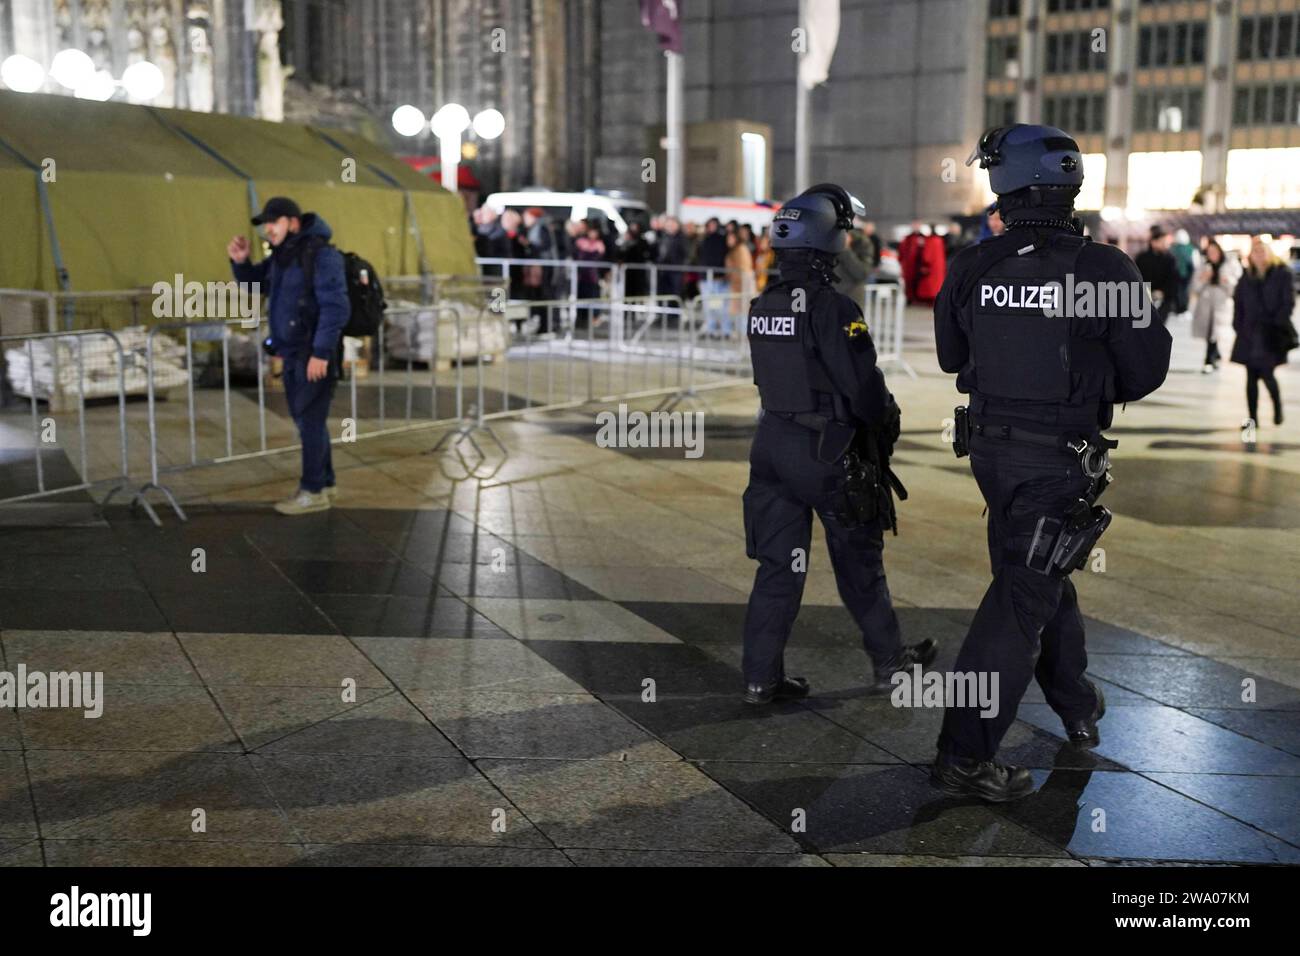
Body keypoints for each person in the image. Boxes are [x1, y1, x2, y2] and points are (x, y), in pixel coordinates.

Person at [933, 125, 1171, 801]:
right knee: (1021, 593)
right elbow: (1146, 370)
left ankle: (1075, 702)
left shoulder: (973, 264)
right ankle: (964, 753)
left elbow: (953, 360)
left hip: (990, 453)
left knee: (1035, 574)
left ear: (1006, 184)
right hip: (1059, 458)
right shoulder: (1103, 268)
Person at [741, 183, 937, 705]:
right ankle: (890, 663)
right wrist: (883, 419)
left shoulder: (764, 304)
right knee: (859, 564)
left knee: (779, 567)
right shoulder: (834, 308)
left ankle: (761, 678)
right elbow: (863, 388)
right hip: (827, 453)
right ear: (830, 240)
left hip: (771, 446)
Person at [228, 196, 349, 515]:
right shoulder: (283, 256)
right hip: (294, 354)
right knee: (309, 421)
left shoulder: (321, 255)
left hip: (313, 355)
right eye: (265, 224)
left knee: (309, 422)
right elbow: (256, 284)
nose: (268, 229)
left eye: (274, 221)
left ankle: (312, 491)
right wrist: (241, 262)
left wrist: (321, 353)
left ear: (293, 223)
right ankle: (326, 484)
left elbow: (336, 307)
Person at [1232, 237, 1296, 427]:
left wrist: (1277, 321)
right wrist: (1238, 325)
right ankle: (1253, 419)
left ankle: (1277, 409)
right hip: (1249, 333)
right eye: (1255, 252)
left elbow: (1288, 302)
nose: (1258, 256)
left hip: (1270, 333)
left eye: (1262, 251)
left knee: (1267, 374)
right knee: (1251, 376)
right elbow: (1238, 302)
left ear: (1269, 253)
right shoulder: (1246, 276)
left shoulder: (1282, 273)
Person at [1191, 239, 1240, 372]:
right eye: (1209, 252)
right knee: (1210, 333)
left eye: (1214, 252)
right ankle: (1215, 356)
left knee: (1215, 333)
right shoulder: (1203, 266)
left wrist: (1226, 280)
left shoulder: (1229, 265)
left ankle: (1208, 360)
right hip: (1206, 305)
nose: (1212, 255)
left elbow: (1236, 287)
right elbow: (1195, 287)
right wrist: (1203, 278)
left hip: (1222, 305)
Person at [1135, 224, 1178, 325]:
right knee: (1143, 328)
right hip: (1144, 298)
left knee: (1159, 326)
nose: (1164, 244)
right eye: (1162, 242)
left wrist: (1163, 292)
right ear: (1153, 242)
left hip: (1164, 299)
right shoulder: (1142, 258)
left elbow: (1173, 280)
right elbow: (1136, 277)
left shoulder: (1170, 259)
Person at [720, 230, 755, 337]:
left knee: (743, 312)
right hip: (736, 285)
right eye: (728, 238)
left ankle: (744, 334)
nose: (729, 240)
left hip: (742, 286)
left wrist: (737, 283)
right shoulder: (734, 250)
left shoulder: (741, 249)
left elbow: (744, 269)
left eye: (731, 238)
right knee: (737, 312)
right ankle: (735, 332)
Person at [1171, 228, 1198, 318]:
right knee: (1185, 291)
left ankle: (1178, 309)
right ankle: (1183, 309)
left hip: (1176, 274)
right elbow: (1196, 263)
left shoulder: (1172, 248)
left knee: (1178, 291)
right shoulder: (1191, 249)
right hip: (1187, 274)